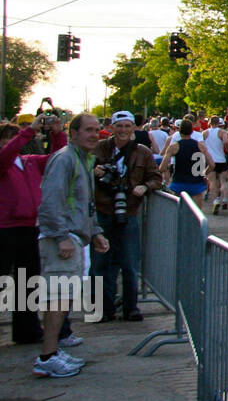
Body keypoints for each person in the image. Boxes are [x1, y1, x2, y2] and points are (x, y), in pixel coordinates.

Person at [35, 113, 111, 377]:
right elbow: (50, 202)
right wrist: (61, 236)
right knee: (56, 299)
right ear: (73, 132)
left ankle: (53, 351)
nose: (94, 134)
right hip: (62, 240)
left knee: (63, 298)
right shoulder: (65, 159)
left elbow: (83, 203)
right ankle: (47, 356)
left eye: (97, 130)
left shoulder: (82, 160)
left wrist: (95, 231)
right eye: (88, 130)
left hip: (74, 237)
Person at [1, 114, 69, 345]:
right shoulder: (4, 161)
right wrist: (27, 132)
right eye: (7, 139)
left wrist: (58, 133)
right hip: (4, 228)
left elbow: (56, 160)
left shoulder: (29, 161)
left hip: (29, 227)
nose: (11, 142)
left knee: (27, 281)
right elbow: (6, 155)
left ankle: (26, 329)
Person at [90, 110, 162, 322]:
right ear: (112, 127)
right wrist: (94, 170)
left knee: (130, 263)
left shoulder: (142, 152)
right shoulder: (99, 149)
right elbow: (81, 171)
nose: (122, 130)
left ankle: (131, 307)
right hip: (103, 211)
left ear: (133, 128)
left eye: (126, 126)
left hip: (129, 212)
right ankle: (104, 308)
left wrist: (144, 187)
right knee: (101, 264)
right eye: (118, 126)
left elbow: (156, 178)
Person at [159, 118, 211, 202]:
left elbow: (162, 167)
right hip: (196, 183)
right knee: (196, 213)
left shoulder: (174, 147)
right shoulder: (200, 146)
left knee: (178, 212)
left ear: (179, 131)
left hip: (179, 183)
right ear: (191, 131)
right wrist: (204, 173)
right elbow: (212, 164)